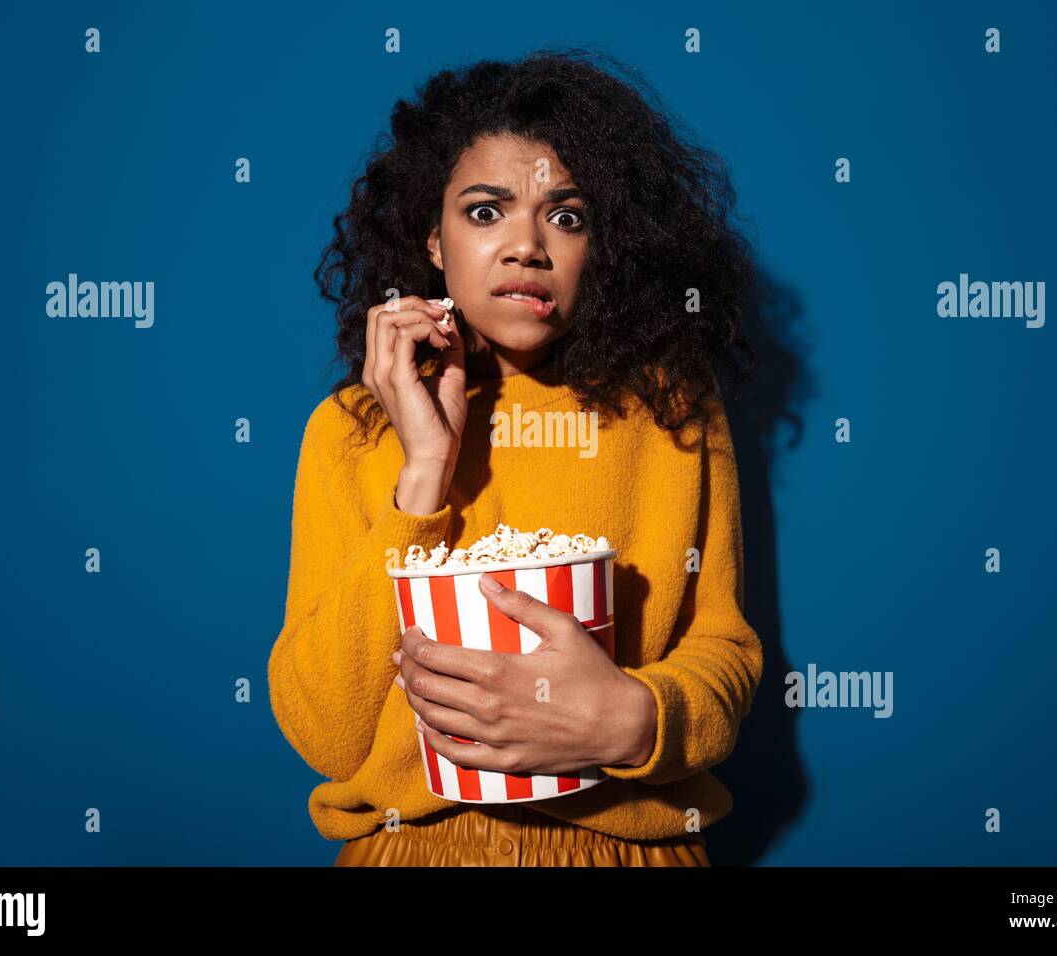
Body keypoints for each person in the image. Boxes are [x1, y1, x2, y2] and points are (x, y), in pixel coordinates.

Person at [268, 48, 767, 866]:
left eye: (567, 217)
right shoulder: (352, 429)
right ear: (433, 239)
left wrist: (635, 718)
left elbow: (724, 646)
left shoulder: (671, 412)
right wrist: (422, 474)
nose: (527, 246)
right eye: (485, 211)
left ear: (605, 248)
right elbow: (326, 729)